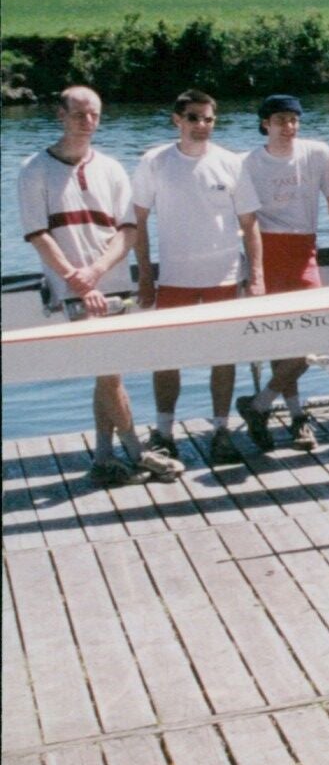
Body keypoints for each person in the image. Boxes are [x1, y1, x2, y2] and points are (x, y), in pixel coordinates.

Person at [19, 86, 181, 485]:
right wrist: (78, 279)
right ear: (60, 114)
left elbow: (127, 231)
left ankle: (105, 457)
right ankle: (136, 450)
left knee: (108, 371)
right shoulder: (34, 170)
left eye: (94, 114)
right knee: (108, 370)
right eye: (79, 114)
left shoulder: (110, 167)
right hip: (71, 289)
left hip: (111, 282)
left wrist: (98, 271)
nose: (88, 122)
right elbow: (39, 235)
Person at [132, 89, 265, 466]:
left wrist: (255, 276)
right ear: (177, 120)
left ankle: (221, 431)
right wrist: (145, 275)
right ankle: (164, 433)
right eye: (193, 118)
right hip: (173, 277)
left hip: (223, 277)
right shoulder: (154, 162)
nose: (202, 125)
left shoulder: (230, 162)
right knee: (167, 356)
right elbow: (137, 222)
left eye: (208, 118)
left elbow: (249, 223)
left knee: (223, 356)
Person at [236, 95, 329, 452]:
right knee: (282, 341)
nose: (288, 127)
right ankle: (296, 416)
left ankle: (259, 403)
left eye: (293, 120)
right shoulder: (249, 163)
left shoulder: (317, 153)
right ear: (265, 125)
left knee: (316, 336)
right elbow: (247, 221)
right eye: (280, 121)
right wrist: (255, 272)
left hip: (304, 248)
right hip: (267, 250)